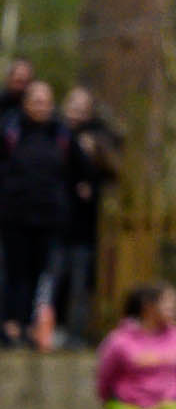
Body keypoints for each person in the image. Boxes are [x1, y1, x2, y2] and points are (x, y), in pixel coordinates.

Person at [0, 78, 73, 349]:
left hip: (50, 217)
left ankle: (36, 327)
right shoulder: (10, 130)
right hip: (14, 215)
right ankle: (11, 323)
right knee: (15, 272)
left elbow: (82, 169)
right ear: (25, 103)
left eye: (46, 101)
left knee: (44, 275)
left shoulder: (62, 134)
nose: (41, 106)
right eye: (36, 100)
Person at [57, 88, 113, 345]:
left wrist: (95, 157)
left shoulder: (98, 137)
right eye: (73, 106)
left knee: (81, 284)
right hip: (55, 223)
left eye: (83, 107)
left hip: (84, 227)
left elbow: (109, 173)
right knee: (56, 281)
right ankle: (50, 329)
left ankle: (76, 333)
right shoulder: (54, 134)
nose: (77, 112)